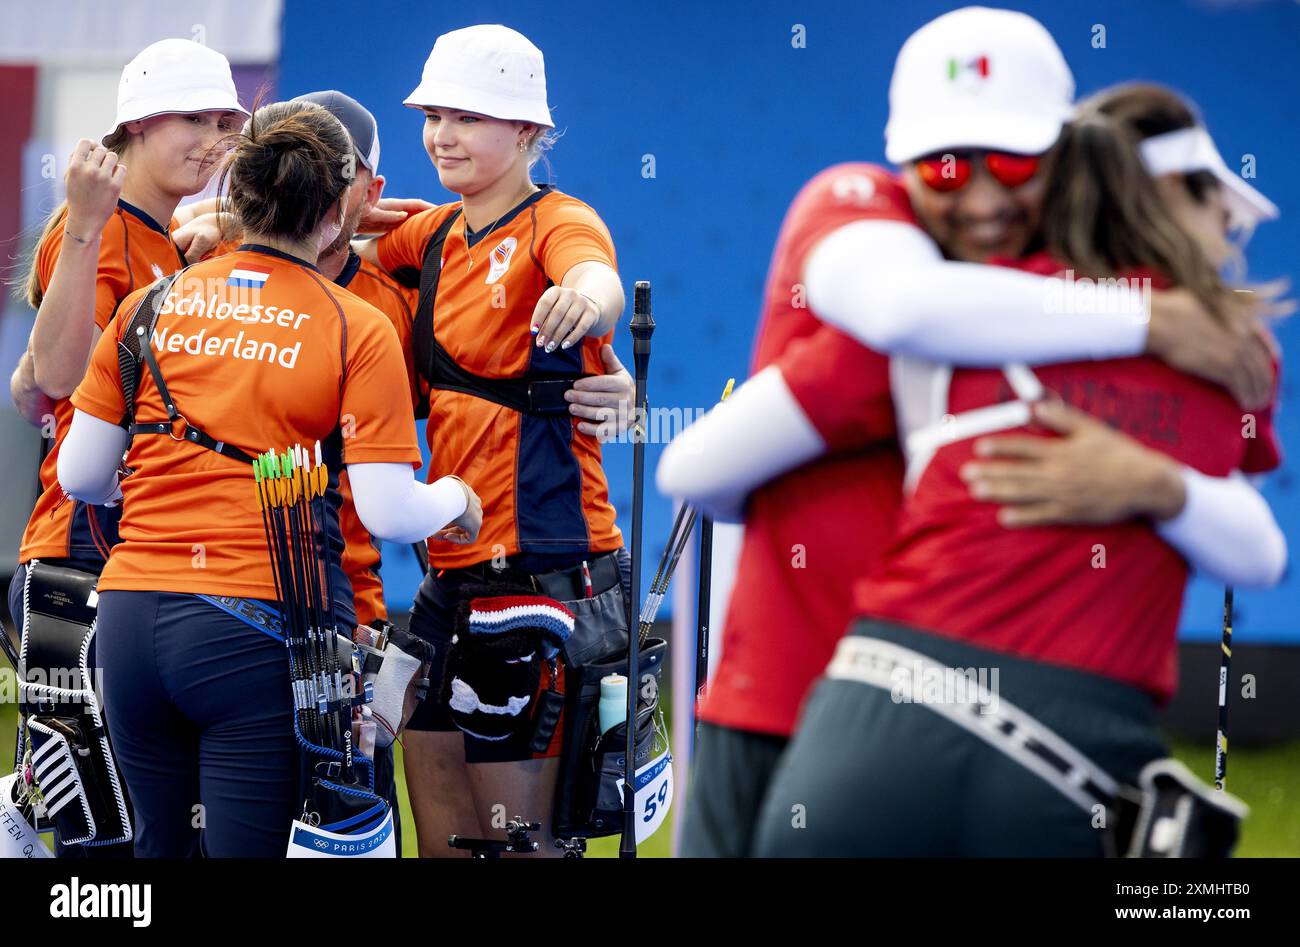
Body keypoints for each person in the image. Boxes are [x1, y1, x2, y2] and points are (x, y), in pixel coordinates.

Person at [657, 8, 1282, 856]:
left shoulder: (1023, 313)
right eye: (945, 169)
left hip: (863, 711)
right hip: (783, 693)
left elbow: (1256, 546)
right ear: (903, 160)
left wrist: (1148, 480)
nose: (983, 200)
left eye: (1016, 164)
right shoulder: (865, 225)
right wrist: (1153, 320)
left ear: (1066, 158)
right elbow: (901, 312)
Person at [57, 100, 481, 857]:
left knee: (156, 854)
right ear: (333, 215)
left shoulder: (149, 305)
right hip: (254, 628)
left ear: (236, 198)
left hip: (127, 619)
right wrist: (459, 498)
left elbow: (82, 474)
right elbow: (387, 509)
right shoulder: (354, 322)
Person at [353, 24, 630, 856]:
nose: (443, 135)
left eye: (469, 117)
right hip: (447, 584)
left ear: (526, 133)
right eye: (435, 114)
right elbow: (331, 249)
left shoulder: (558, 217)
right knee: (445, 840)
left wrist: (590, 300)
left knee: (526, 845)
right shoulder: (429, 234)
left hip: (546, 571)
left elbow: (593, 272)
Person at [7, 37, 246, 857]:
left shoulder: (176, 244)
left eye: (225, 122)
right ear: (137, 125)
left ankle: (21, 802)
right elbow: (60, 373)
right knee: (97, 840)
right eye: (194, 118)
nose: (213, 139)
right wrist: (79, 226)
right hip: (76, 556)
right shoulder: (98, 232)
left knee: (151, 829)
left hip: (142, 563)